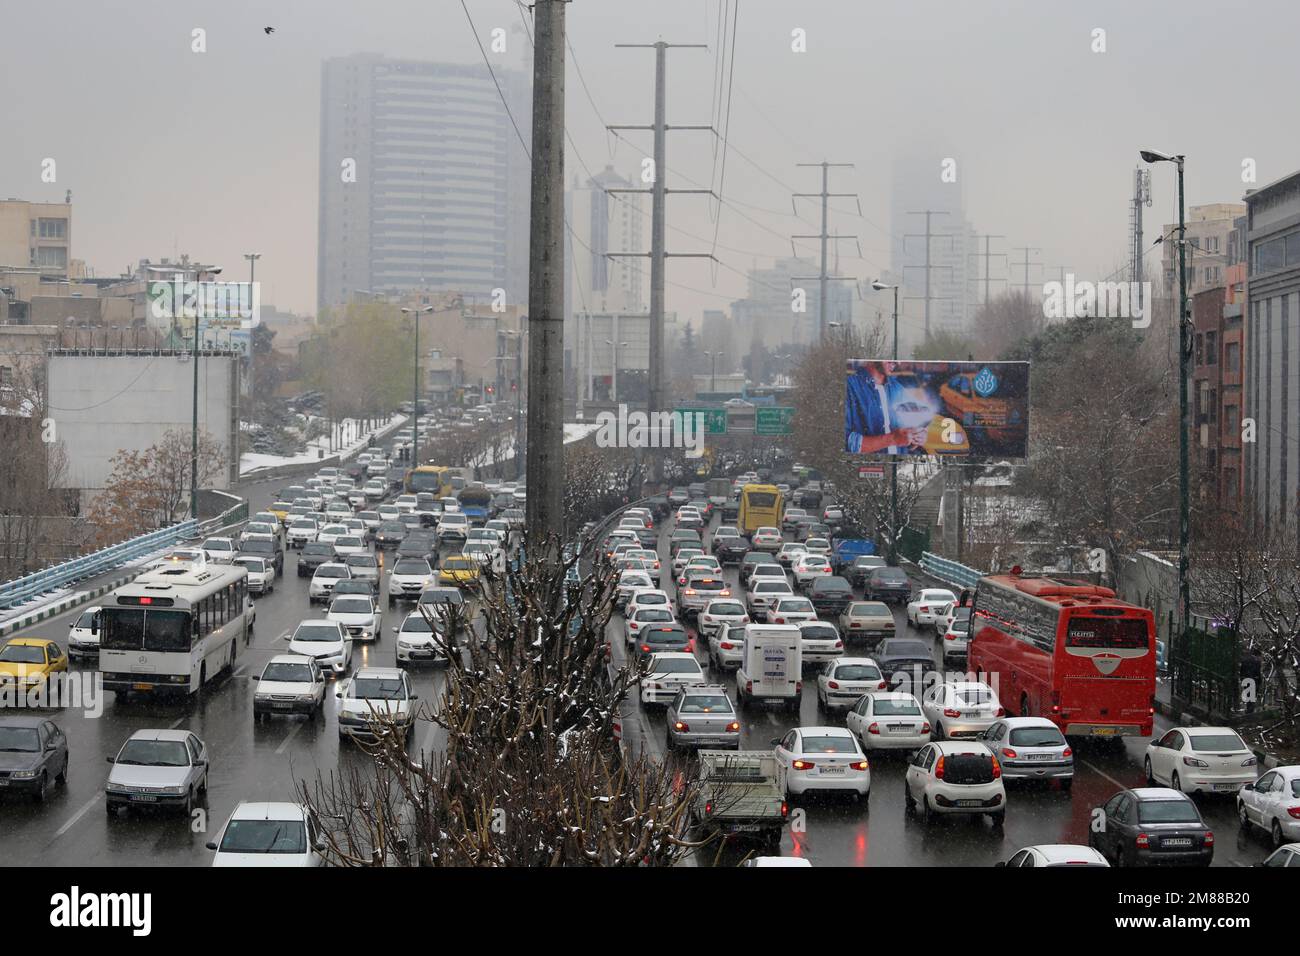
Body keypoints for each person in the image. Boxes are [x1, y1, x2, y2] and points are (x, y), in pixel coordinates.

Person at [845, 363, 926, 454]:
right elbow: (845, 442)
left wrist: (916, 438)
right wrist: (892, 439)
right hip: (870, 466)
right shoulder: (849, 386)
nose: (897, 362)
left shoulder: (898, 389)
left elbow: (907, 435)